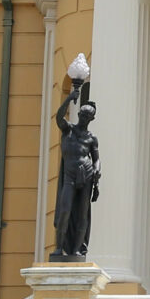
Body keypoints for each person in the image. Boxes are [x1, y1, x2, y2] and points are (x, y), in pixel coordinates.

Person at [52, 75, 100, 260]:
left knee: (82, 215)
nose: (85, 118)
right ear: (78, 114)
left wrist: (98, 170)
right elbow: (58, 117)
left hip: (86, 175)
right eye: (82, 115)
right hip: (70, 176)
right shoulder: (68, 130)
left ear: (92, 118)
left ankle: (78, 249)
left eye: (88, 117)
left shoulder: (91, 137)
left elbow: (96, 158)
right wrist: (69, 98)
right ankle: (59, 248)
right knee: (64, 211)